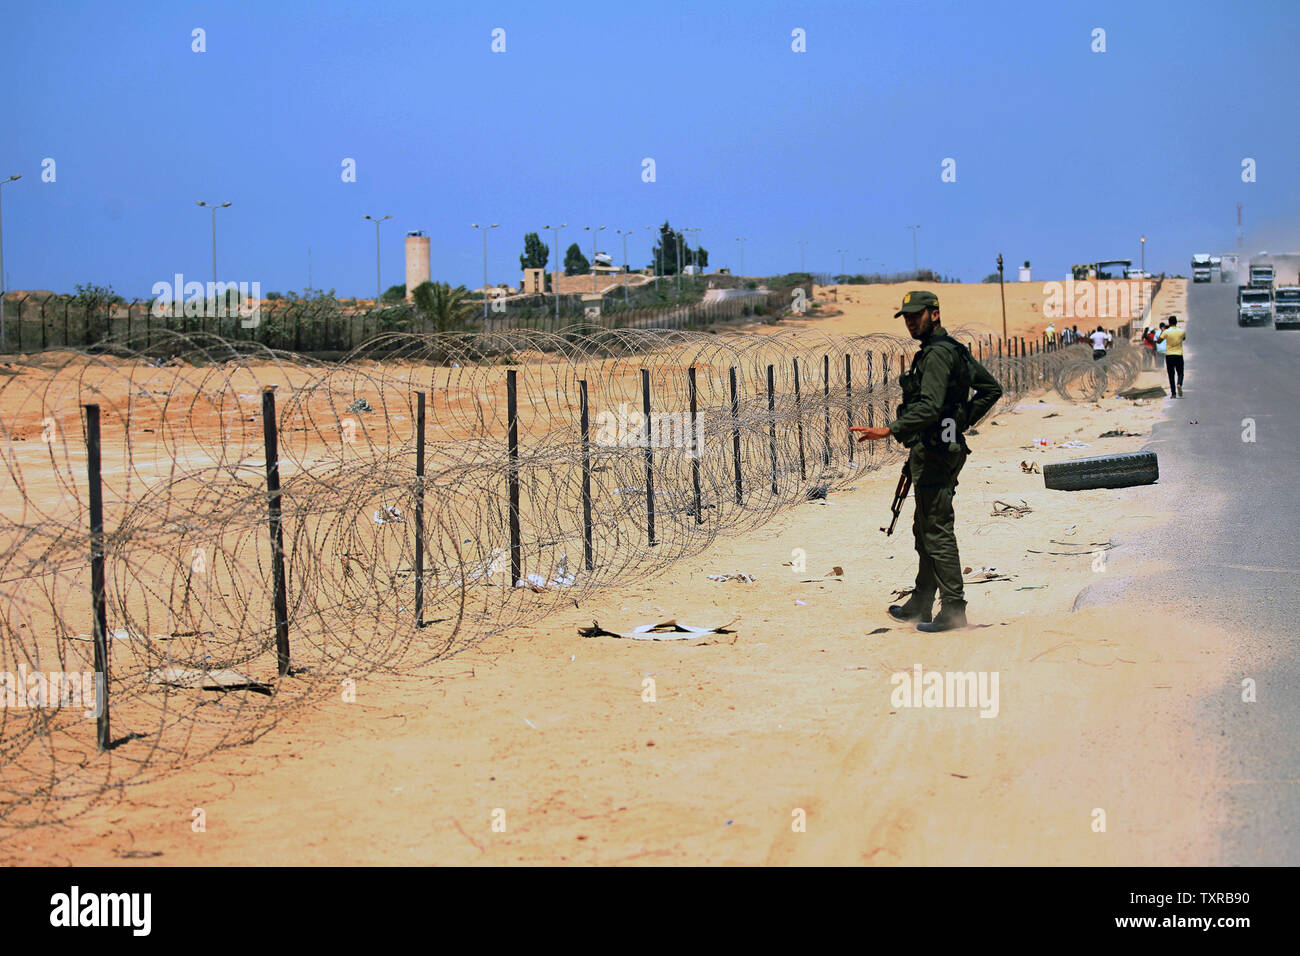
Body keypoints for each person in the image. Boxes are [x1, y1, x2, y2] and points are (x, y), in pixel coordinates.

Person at [850, 291, 1003, 632]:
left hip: (936, 452)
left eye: (915, 315)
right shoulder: (953, 351)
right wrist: (958, 420)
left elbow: (932, 406)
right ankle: (921, 601)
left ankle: (953, 609)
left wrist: (889, 429)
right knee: (925, 529)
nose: (909, 321)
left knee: (936, 531)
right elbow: (991, 390)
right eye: (906, 316)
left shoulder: (937, 355)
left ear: (934, 314)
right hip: (940, 448)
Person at [1157, 316, 1185, 397]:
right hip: (1179, 354)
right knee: (1180, 373)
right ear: (1176, 322)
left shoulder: (1166, 332)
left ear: (1169, 323)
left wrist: (1163, 331)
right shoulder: (1181, 331)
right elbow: (1183, 338)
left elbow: (1159, 341)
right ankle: (1179, 384)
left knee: (1171, 374)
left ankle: (1173, 393)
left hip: (1169, 355)